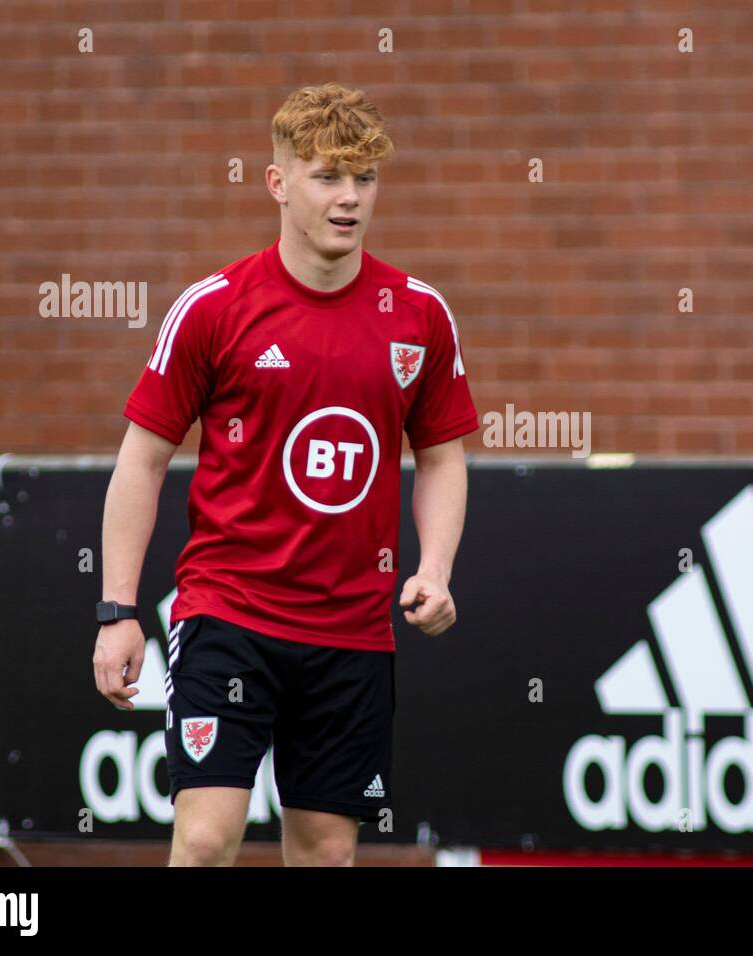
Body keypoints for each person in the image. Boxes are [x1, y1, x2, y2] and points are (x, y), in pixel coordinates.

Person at [91, 83, 478, 866]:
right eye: (327, 176)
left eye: (364, 179)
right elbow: (143, 457)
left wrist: (435, 570)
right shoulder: (214, 307)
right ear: (278, 183)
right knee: (203, 841)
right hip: (228, 615)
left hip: (352, 631)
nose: (349, 198)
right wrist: (118, 608)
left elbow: (440, 456)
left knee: (326, 851)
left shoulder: (420, 315)